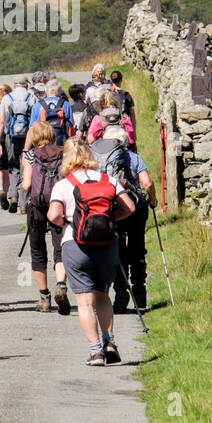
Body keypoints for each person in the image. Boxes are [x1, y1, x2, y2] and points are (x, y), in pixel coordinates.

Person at [48, 138, 135, 365]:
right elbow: (130, 207)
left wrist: (70, 222)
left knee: (85, 302)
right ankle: (109, 341)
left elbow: (52, 215)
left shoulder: (64, 184)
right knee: (103, 296)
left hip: (75, 245)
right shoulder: (108, 180)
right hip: (107, 245)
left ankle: (96, 351)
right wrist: (110, 220)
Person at [91, 123, 156, 312]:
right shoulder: (134, 158)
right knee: (137, 250)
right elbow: (147, 183)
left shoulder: (99, 161)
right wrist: (153, 200)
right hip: (135, 207)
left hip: (113, 208)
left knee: (118, 252)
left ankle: (121, 296)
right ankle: (140, 294)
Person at [18, 120, 69, 314]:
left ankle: (44, 297)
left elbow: (26, 185)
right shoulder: (63, 153)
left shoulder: (31, 155)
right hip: (58, 205)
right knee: (60, 247)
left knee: (38, 251)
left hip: (37, 207)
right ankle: (61, 286)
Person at [0, 77, 35, 212]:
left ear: (14, 84)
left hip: (11, 137)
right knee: (27, 167)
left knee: (13, 167)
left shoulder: (7, 98)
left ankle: (13, 195)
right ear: (25, 84)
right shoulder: (32, 97)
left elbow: (1, 121)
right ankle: (24, 204)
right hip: (29, 137)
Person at [109, 70, 136, 138]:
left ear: (111, 80)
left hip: (110, 129)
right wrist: (134, 132)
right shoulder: (126, 95)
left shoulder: (107, 95)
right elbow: (132, 116)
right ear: (121, 80)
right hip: (123, 128)